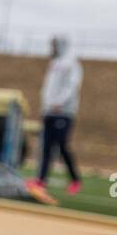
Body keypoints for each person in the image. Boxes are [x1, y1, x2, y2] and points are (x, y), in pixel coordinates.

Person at [31, 34, 83, 195]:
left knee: (61, 146)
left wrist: (59, 103)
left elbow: (72, 86)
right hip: (49, 112)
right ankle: (41, 180)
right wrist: (46, 106)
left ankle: (75, 179)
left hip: (63, 113)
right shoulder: (53, 63)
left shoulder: (72, 63)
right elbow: (48, 87)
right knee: (45, 147)